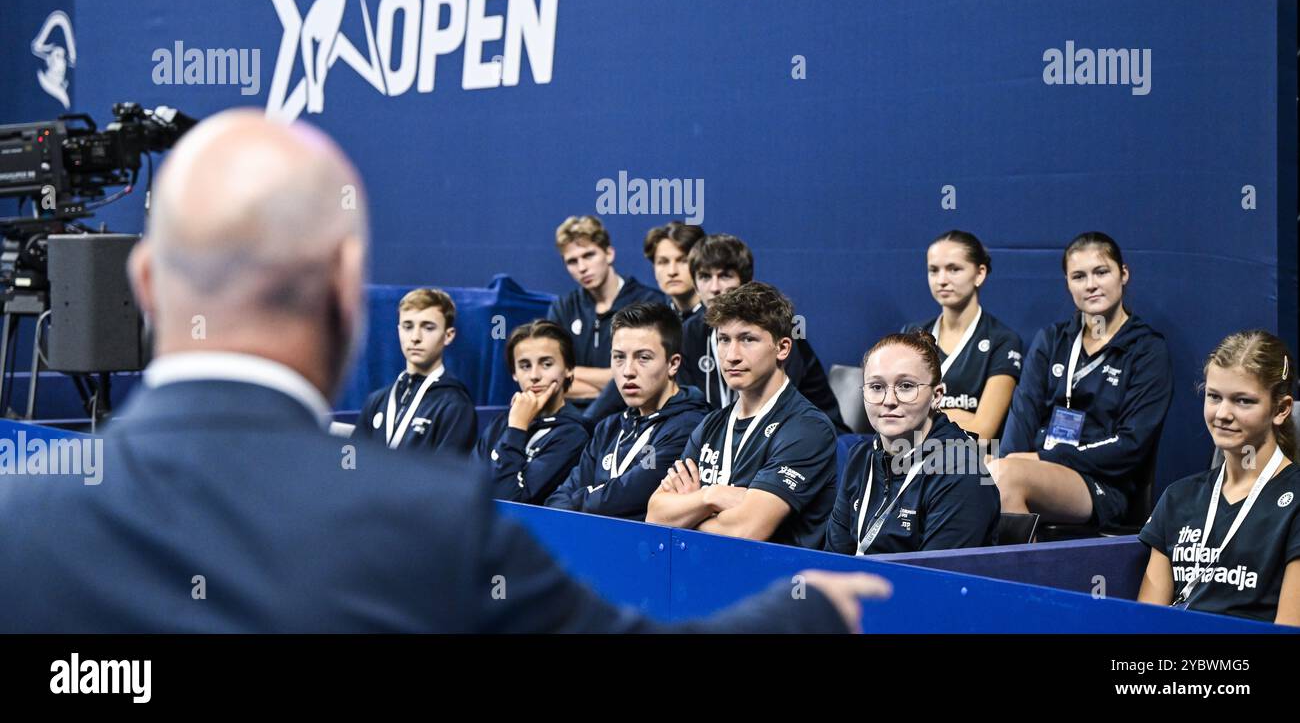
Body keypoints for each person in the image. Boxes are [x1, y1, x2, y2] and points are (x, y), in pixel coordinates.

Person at [0, 110, 887, 632]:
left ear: (147, 285)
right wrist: (805, 610)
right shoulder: (427, 524)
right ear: (351, 294)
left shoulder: (20, 519)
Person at [992, 232, 1174, 528]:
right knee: (982, 479)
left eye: (1101, 272)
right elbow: (1022, 414)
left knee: (1005, 479)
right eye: (1079, 276)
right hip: (1032, 468)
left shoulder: (1146, 349)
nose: (1091, 285)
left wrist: (1046, 457)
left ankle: (1022, 574)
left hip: (1104, 485)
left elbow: (1132, 444)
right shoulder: (1052, 340)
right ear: (1067, 283)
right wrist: (1013, 459)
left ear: (1123, 274)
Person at [646, 282, 838, 548]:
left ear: (782, 348)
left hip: (778, 583)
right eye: (724, 340)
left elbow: (745, 530)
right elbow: (655, 516)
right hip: (707, 576)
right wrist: (710, 497)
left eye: (748, 339)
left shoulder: (807, 428)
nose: (731, 356)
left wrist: (688, 513)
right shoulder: (711, 424)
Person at [1138, 330, 1300, 625]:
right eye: (1214, 397)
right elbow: (1148, 622)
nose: (1223, 413)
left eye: (1243, 401)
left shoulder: (1295, 500)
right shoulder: (1178, 497)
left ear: (1281, 409)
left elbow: (1290, 629)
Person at [825, 331, 1000, 555]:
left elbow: (934, 581)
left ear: (936, 396)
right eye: (877, 387)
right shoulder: (861, 457)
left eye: (906, 386)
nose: (889, 401)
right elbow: (832, 561)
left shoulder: (963, 472)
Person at [547, 303, 708, 519]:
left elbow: (628, 498)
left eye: (643, 357)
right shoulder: (608, 427)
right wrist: (584, 500)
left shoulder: (692, 426)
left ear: (673, 364)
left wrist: (579, 499)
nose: (628, 371)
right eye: (619, 357)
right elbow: (556, 500)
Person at [676, 233, 847, 432]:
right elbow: (689, 407)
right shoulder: (689, 331)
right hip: (732, 438)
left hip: (812, 435)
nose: (714, 288)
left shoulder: (772, 325)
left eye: (725, 275)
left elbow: (777, 405)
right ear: (695, 285)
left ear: (745, 282)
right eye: (705, 277)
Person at [902, 230, 1023, 439]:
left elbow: (983, 431)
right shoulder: (913, 334)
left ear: (980, 274)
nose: (942, 280)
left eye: (954, 269)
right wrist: (960, 416)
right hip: (913, 451)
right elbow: (895, 414)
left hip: (969, 458)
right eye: (933, 270)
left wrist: (922, 412)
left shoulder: (1002, 341)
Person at [545, 215, 667, 407]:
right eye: (572, 261)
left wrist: (570, 373)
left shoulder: (649, 303)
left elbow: (651, 377)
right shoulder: (563, 308)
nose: (582, 267)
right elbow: (548, 378)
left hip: (632, 416)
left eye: (588, 255)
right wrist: (611, 383)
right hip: (572, 420)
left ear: (609, 254)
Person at [475, 320, 591, 504]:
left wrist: (516, 430)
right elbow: (470, 486)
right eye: (525, 366)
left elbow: (511, 502)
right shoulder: (502, 422)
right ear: (514, 373)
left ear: (568, 369)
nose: (534, 375)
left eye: (546, 364)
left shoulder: (574, 434)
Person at [353, 288, 476, 453]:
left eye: (428, 327)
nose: (415, 337)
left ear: (448, 336)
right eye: (408, 326)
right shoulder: (376, 401)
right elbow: (350, 466)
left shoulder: (456, 406)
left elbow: (447, 476)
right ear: (399, 331)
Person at [644, 221, 706, 323]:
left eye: (683, 261)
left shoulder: (719, 319)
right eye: (663, 262)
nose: (672, 271)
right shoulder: (652, 318)